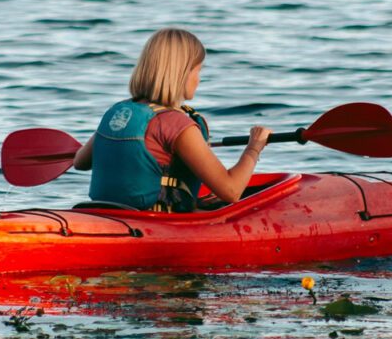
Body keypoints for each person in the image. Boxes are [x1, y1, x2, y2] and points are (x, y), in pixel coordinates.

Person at [72, 28, 270, 211]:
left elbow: (80, 161)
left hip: (107, 214)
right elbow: (231, 191)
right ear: (181, 73)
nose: (198, 79)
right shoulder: (177, 125)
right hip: (154, 224)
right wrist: (254, 147)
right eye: (197, 70)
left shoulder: (119, 113)